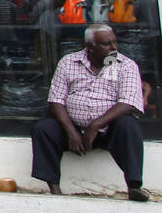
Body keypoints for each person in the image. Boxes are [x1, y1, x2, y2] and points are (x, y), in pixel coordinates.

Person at [31, 25, 148, 200]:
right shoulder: (68, 62)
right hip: (74, 129)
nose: (114, 47)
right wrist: (71, 133)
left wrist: (96, 125)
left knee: (128, 125)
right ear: (90, 47)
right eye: (107, 44)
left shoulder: (126, 65)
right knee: (43, 128)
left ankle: (134, 186)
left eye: (115, 42)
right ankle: (54, 189)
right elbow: (56, 100)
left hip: (108, 130)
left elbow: (128, 103)